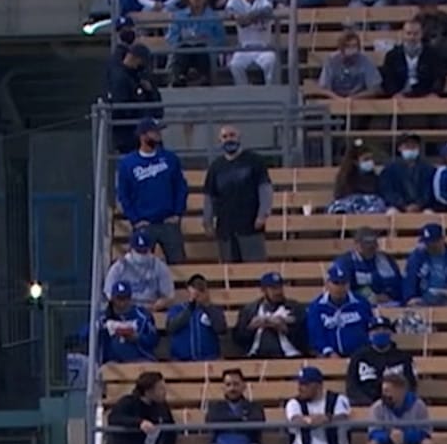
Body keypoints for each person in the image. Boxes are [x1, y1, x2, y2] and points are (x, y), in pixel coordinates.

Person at [114, 118, 189, 263]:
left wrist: (177, 213)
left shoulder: (170, 158)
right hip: (144, 223)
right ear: (143, 136)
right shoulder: (128, 164)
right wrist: (135, 219)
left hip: (169, 222)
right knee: (140, 267)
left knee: (179, 262)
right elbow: (124, 195)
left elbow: (181, 187)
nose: (159, 135)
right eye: (154, 132)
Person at [203, 125, 271, 262]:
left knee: (255, 270)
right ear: (220, 141)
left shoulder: (254, 161)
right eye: (225, 136)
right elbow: (210, 196)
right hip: (226, 231)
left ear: (239, 137)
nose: (229, 139)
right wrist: (207, 221)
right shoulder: (216, 166)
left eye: (232, 135)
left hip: (251, 227)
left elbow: (265, 189)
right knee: (230, 274)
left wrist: (262, 214)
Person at [306, 263, 373, 358]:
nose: (340, 288)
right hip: (328, 357)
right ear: (327, 284)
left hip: (360, 355)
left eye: (343, 283)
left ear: (349, 284)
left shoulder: (361, 303)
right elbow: (316, 335)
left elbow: (369, 328)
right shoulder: (317, 307)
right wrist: (328, 352)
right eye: (336, 283)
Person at [223, 0, 279, 85]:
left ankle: (271, 92)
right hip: (245, 47)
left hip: (264, 47)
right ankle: (244, 92)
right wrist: (239, 17)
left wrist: (247, 18)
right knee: (235, 65)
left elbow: (267, 10)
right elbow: (229, 12)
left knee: (271, 61)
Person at [106, 44, 163, 154]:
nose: (142, 65)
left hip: (140, 131)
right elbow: (123, 108)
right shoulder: (121, 78)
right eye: (141, 61)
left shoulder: (136, 76)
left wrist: (150, 91)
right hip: (129, 135)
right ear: (135, 58)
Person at [347, 316, 417, 406]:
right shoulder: (358, 357)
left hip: (397, 406)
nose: (381, 332)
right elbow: (352, 387)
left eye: (385, 329)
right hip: (366, 405)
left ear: (391, 333)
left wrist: (397, 401)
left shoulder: (403, 357)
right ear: (369, 334)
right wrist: (369, 404)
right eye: (376, 329)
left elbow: (410, 385)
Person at [165, 0, 226, 86]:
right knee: (183, 50)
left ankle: (205, 78)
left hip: (205, 50)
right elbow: (171, 37)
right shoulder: (178, 16)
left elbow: (220, 38)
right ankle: (178, 78)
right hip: (184, 48)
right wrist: (180, 42)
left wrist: (209, 43)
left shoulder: (213, 17)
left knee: (202, 49)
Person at [235, 272, 306, 358]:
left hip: (289, 356)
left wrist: (285, 329)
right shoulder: (250, 310)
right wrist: (251, 328)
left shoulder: (295, 308)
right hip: (256, 356)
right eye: (273, 288)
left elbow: (305, 338)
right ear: (263, 290)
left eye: (280, 287)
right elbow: (238, 340)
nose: (278, 292)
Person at [102, 230, 175, 311]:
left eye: (144, 251)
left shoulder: (160, 267)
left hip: (151, 308)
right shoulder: (119, 267)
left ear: (150, 249)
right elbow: (108, 292)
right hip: (123, 309)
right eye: (138, 251)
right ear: (131, 249)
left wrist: (153, 307)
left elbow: (168, 296)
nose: (141, 254)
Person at [403, 222, 447, 307]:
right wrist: (412, 299)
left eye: (433, 241)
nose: (430, 245)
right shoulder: (416, 258)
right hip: (424, 302)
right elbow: (409, 289)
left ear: (442, 239)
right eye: (427, 242)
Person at [331, 227, 402, 305]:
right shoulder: (345, 262)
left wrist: (389, 294)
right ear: (356, 245)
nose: (370, 248)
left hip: (390, 304)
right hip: (357, 306)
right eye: (366, 244)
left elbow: (397, 283)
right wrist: (370, 297)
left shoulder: (386, 259)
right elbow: (342, 289)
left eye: (373, 244)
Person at [166, 273, 227, 361]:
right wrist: (190, 307)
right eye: (194, 287)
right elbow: (171, 328)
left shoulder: (214, 309)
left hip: (210, 359)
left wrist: (207, 305)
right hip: (181, 360)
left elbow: (221, 329)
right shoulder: (177, 309)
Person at [381, 20, 447, 100]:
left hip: (426, 95)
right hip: (400, 95)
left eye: (416, 34)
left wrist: (434, 93)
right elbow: (388, 78)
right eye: (408, 33)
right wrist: (394, 93)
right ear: (403, 34)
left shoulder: (432, 54)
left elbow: (439, 76)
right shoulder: (392, 55)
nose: (412, 37)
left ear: (421, 34)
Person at [96, 281, 160, 363]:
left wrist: (138, 338)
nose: (122, 302)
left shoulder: (143, 316)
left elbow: (154, 340)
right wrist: (102, 327)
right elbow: (84, 334)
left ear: (130, 298)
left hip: (140, 358)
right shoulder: (102, 317)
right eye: (119, 298)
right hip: (112, 362)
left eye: (125, 298)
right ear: (112, 298)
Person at [315, 30, 382, 101]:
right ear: (341, 48)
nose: (352, 50)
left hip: (359, 101)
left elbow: (375, 88)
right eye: (348, 46)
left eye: (354, 46)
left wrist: (353, 98)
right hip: (335, 100)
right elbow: (324, 88)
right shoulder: (331, 60)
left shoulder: (365, 60)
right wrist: (338, 99)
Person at [380, 134, 436, 213]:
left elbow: (430, 191)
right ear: (399, 148)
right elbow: (387, 191)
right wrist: (403, 205)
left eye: (413, 146)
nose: (411, 148)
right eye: (407, 146)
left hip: (423, 207)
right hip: (398, 207)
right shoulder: (390, 169)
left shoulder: (428, 168)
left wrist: (419, 205)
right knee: (391, 213)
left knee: (430, 214)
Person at [328, 146, 387, 216]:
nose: (370, 162)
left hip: (368, 205)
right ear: (355, 162)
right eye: (366, 159)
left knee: (379, 204)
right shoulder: (346, 176)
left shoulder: (374, 177)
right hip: (350, 204)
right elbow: (340, 195)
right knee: (338, 206)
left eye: (371, 158)